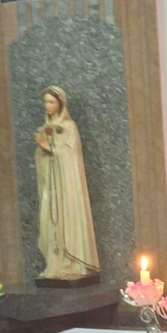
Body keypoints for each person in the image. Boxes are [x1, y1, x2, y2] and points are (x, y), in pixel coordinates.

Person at [34, 86, 100, 280]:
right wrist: (42, 150)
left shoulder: (69, 127)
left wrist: (48, 147)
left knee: (68, 219)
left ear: (60, 104)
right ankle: (55, 264)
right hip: (51, 187)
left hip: (68, 187)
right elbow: (41, 157)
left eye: (51, 102)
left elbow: (71, 154)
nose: (48, 105)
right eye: (45, 101)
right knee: (49, 221)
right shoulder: (42, 129)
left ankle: (74, 263)